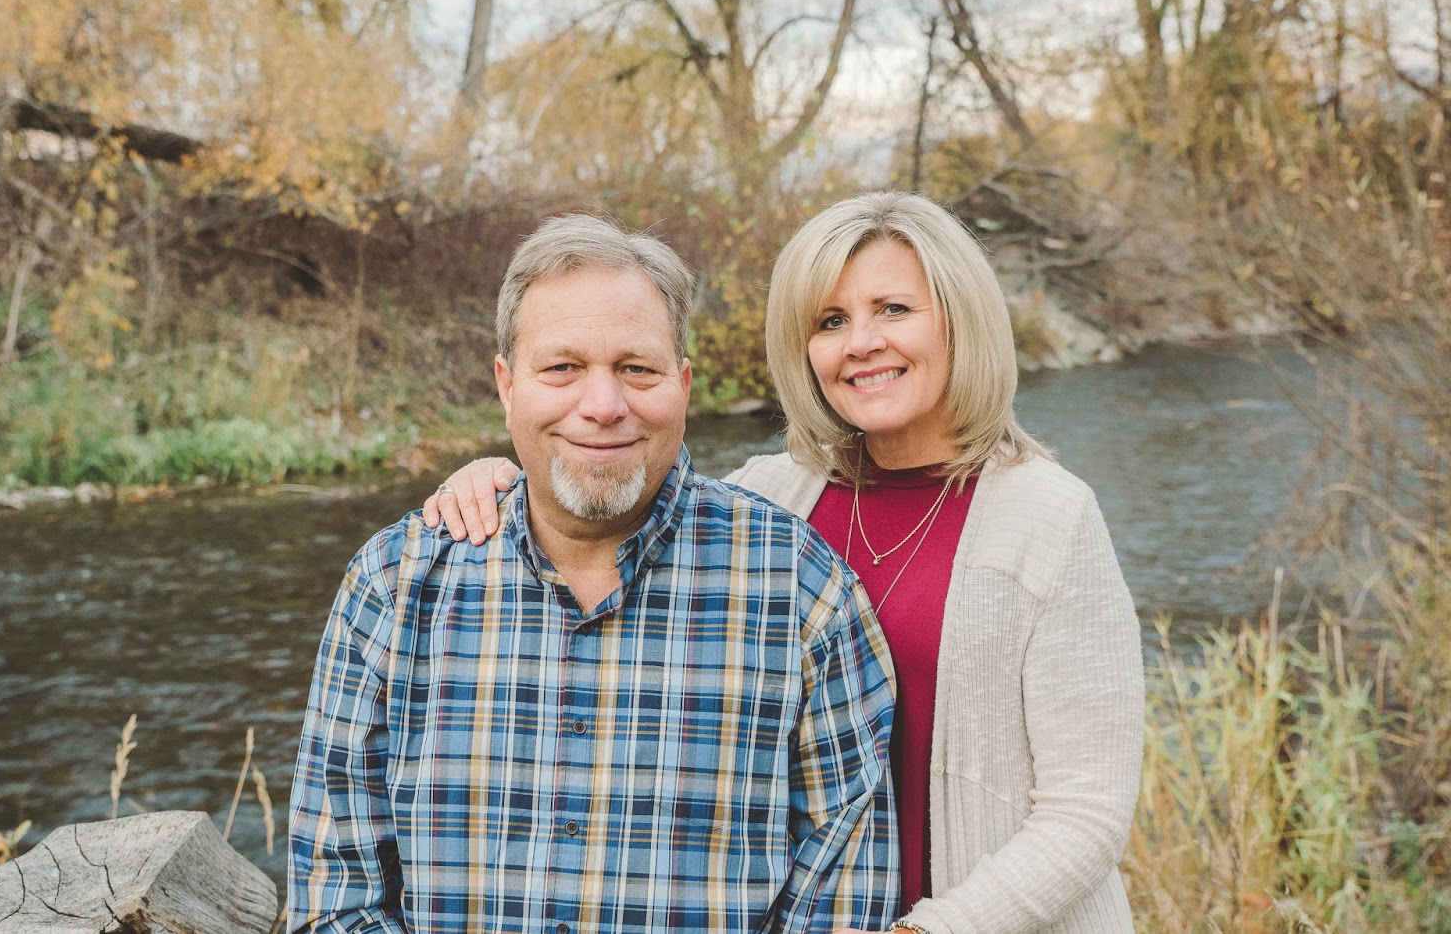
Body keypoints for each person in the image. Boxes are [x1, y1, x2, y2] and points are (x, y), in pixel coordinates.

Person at [425, 192, 1146, 934]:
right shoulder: (771, 495)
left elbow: (1086, 814)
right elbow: (612, 494)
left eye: (894, 309)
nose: (861, 342)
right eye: (831, 322)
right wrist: (497, 476)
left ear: (958, 320)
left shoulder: (1049, 518)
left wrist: (930, 929)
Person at [287, 214, 903, 934]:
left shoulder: (802, 593)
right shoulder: (394, 587)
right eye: (563, 368)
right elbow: (338, 896)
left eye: (636, 369)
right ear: (507, 385)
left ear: (683, 384)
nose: (603, 406)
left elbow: (842, 904)